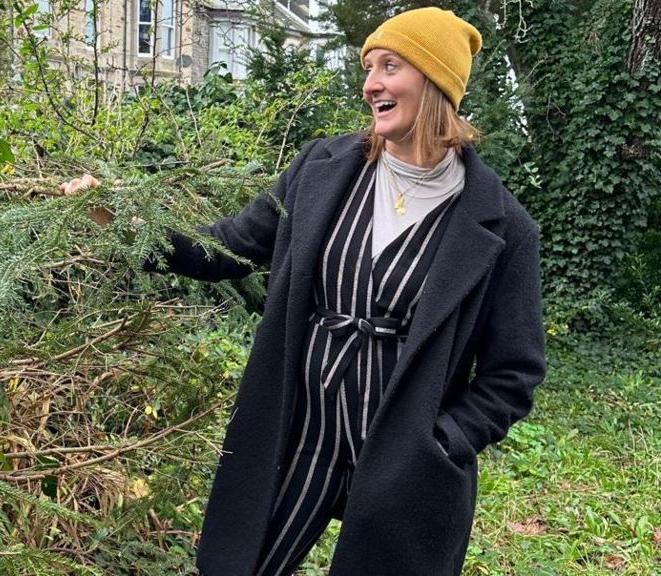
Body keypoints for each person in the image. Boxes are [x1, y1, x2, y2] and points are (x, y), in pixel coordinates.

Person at [61, 7, 546, 576]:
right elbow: (226, 248)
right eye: (368, 67)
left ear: (435, 81)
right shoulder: (322, 168)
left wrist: (442, 440)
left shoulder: (501, 227)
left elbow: (514, 373)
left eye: (390, 66)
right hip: (298, 430)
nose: (371, 84)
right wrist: (123, 221)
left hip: (403, 455)